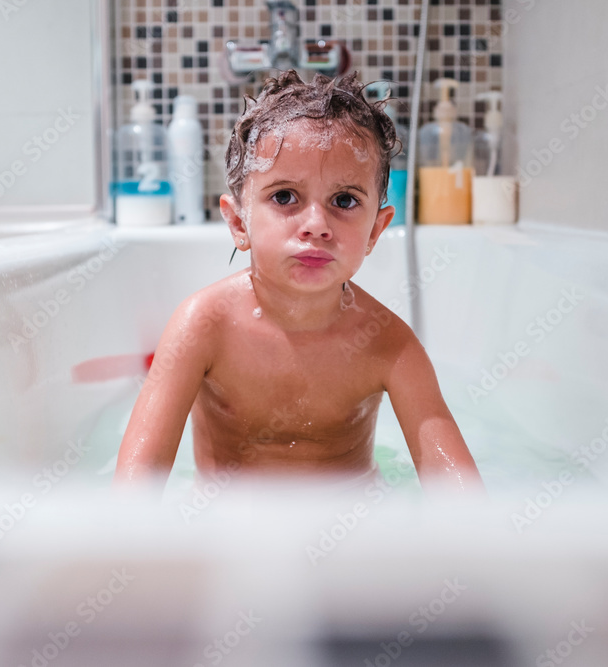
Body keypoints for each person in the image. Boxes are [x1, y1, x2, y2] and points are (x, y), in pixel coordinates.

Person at [114, 70, 483, 497]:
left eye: (344, 201)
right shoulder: (204, 325)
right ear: (238, 222)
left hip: (349, 526)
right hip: (222, 528)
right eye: (285, 196)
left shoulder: (388, 344)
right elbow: (136, 485)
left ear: (375, 232)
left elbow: (460, 495)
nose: (317, 225)